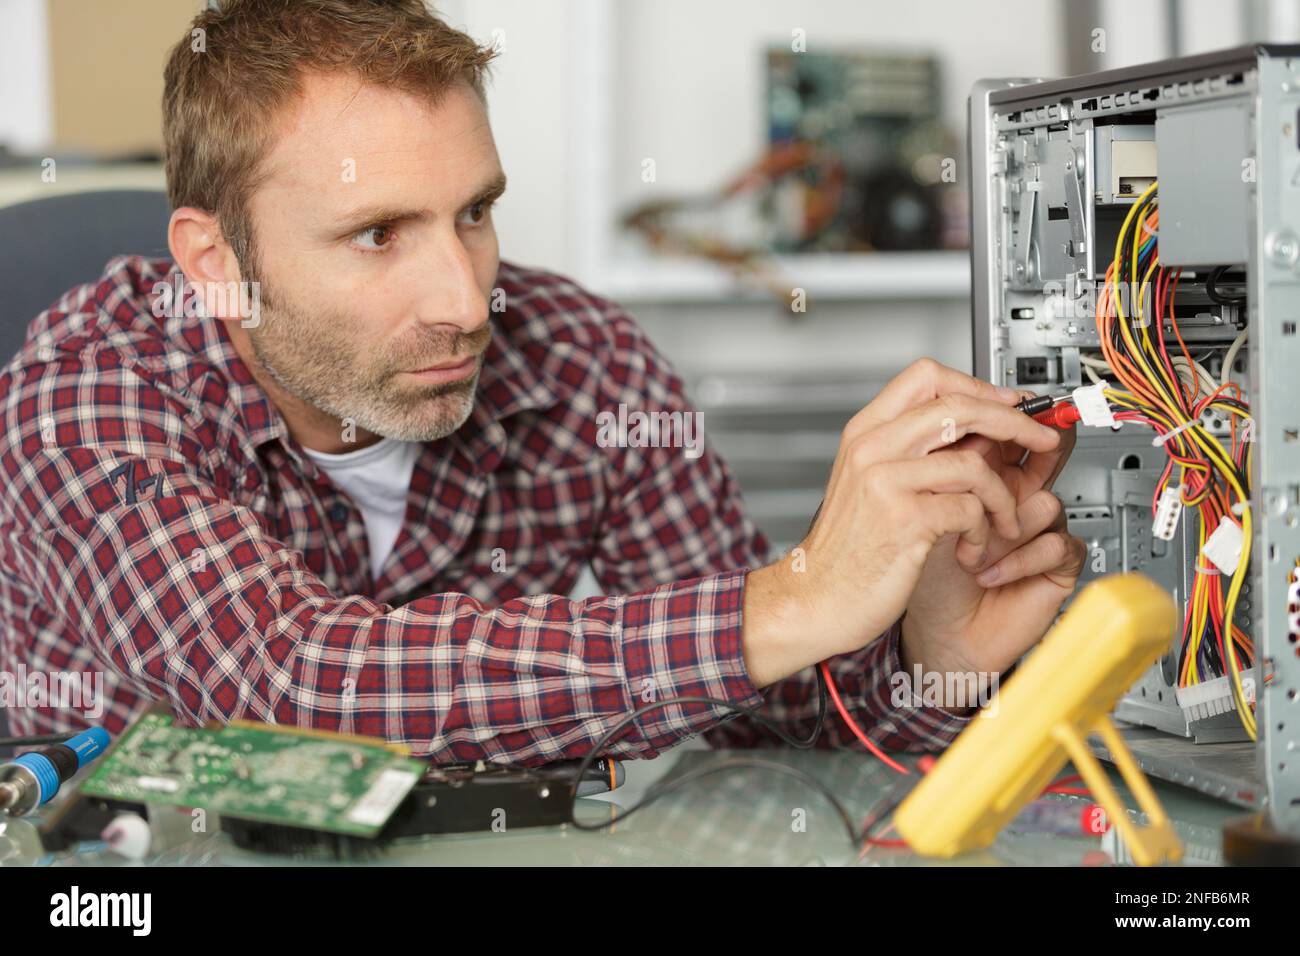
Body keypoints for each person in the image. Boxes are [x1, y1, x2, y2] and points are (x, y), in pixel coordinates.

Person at [0, 0, 1084, 765]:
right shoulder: (84, 396)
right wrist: (795, 594)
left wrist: (930, 657)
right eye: (377, 233)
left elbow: (763, 712)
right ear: (213, 262)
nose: (467, 301)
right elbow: (288, 689)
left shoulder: (583, 359)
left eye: (474, 212)